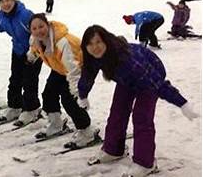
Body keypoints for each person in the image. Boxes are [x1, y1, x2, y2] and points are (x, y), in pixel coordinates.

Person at [78, 25, 198, 177]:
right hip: (126, 79)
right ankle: (113, 150)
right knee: (117, 112)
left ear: (106, 41)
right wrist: (83, 95)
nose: (95, 47)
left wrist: (182, 103)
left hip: (149, 74)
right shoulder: (94, 58)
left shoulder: (128, 60)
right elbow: (87, 76)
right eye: (90, 44)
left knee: (142, 117)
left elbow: (157, 84)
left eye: (98, 42)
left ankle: (145, 163)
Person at [27, 13, 96, 147]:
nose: (38, 31)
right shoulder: (35, 39)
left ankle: (87, 132)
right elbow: (35, 49)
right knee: (48, 94)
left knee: (69, 100)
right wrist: (31, 57)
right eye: (34, 28)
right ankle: (56, 124)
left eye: (41, 26)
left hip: (78, 67)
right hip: (60, 68)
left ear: (48, 25)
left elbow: (73, 69)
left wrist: (79, 93)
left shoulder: (62, 42)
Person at [0, 0, 43, 126]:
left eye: (8, 0)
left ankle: (32, 109)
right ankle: (15, 106)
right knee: (15, 79)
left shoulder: (25, 14)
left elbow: (38, 32)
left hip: (33, 52)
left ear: (14, 0)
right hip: (17, 51)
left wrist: (33, 51)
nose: (6, 4)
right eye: (2, 2)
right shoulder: (1, 16)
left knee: (29, 81)